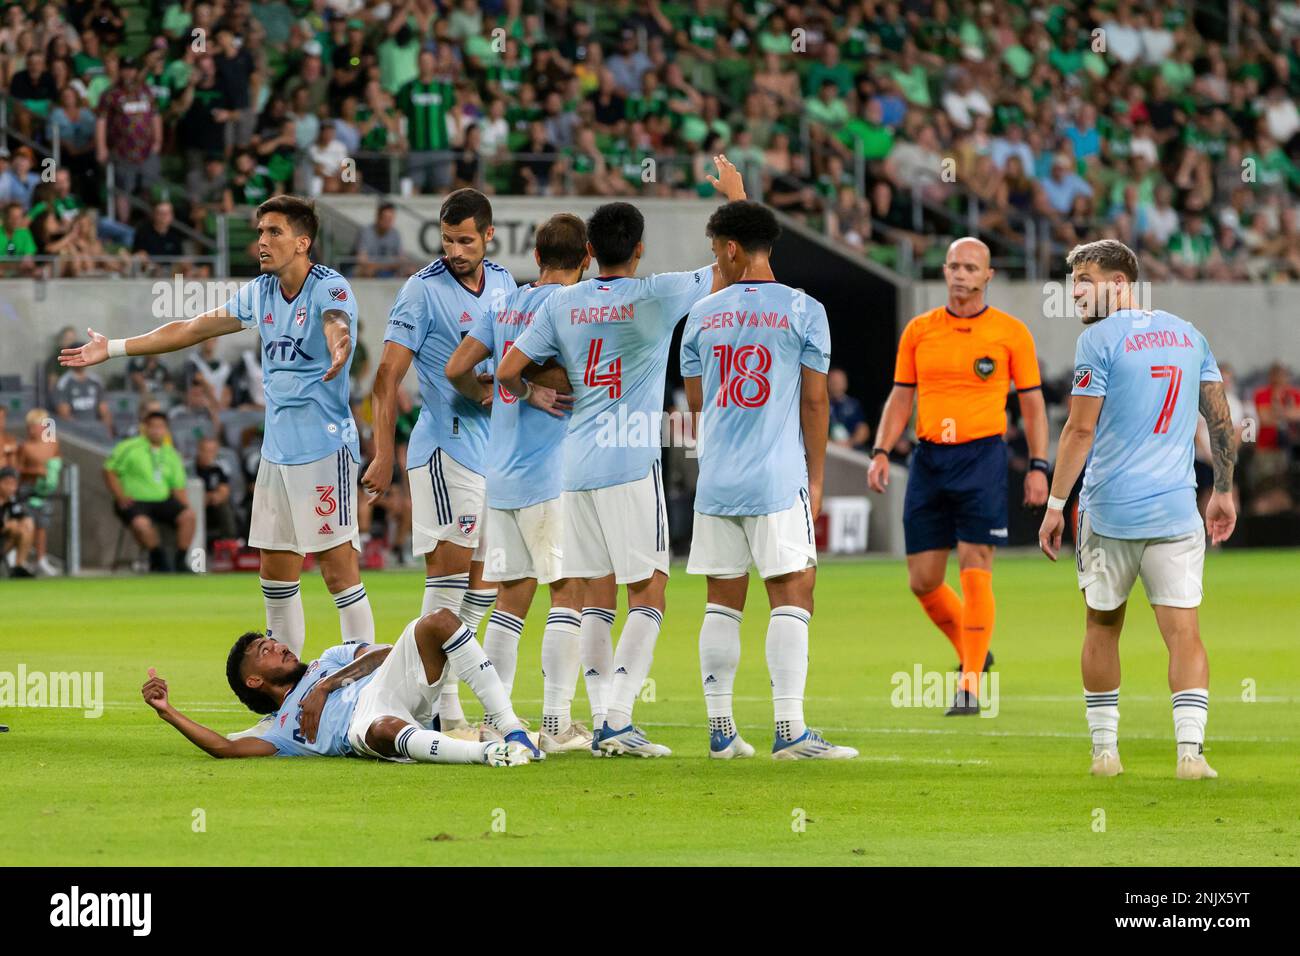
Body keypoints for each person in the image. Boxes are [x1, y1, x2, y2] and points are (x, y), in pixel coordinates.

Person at [60, 196, 376, 696]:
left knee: (338, 571)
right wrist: (115, 347)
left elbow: (337, 323)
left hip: (325, 447)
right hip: (277, 453)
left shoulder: (328, 286)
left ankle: (365, 691)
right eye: (259, 232)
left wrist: (340, 346)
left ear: (302, 241)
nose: (261, 242)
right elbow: (190, 328)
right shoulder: (260, 292)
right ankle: (287, 695)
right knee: (275, 573)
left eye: (273, 232)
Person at [495, 156, 746, 755]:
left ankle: (576, 720)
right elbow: (733, 266)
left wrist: (542, 390)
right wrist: (736, 196)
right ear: (637, 249)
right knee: (650, 592)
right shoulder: (657, 294)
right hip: (630, 463)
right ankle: (616, 719)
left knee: (589, 598)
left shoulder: (561, 304)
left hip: (573, 465)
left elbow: (506, 372)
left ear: (590, 248)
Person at [1038, 239, 1236, 781]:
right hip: (1175, 513)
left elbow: (1079, 430)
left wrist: (1056, 505)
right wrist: (1223, 488)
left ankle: (1105, 752)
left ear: (1120, 284)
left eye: (1086, 279)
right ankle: (1190, 755)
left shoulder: (1097, 342)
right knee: (1184, 631)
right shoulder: (1188, 333)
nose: (1075, 291)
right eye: (1073, 280)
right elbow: (1219, 420)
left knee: (1102, 627)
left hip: (1109, 515)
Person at [363, 188, 541, 752]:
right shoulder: (421, 291)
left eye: (465, 240)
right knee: (447, 582)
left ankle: (444, 702)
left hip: (494, 452)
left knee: (483, 586)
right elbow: (386, 377)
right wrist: (385, 453)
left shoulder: (507, 285)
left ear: (489, 236)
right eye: (447, 239)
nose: (455, 250)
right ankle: (429, 709)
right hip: (446, 447)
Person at [680, 199, 857, 760]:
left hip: (716, 483)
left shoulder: (700, 316)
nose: (714, 262)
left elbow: (697, 405)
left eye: (715, 252)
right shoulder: (806, 310)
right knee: (793, 593)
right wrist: (820, 478)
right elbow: (814, 402)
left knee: (721, 602)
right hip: (777, 479)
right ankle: (790, 732)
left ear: (732, 249)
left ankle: (721, 731)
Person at [867, 237, 1050, 716]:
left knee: (975, 562)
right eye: (953, 266)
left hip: (982, 459)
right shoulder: (919, 330)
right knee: (923, 580)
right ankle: (975, 648)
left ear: (988, 276)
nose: (960, 274)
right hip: (930, 459)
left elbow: (1031, 404)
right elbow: (901, 396)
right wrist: (882, 450)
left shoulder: (1011, 333)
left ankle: (969, 685)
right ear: (945, 272)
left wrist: (1038, 464)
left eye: (970, 267)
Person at [444, 213, 593, 753]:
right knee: (568, 592)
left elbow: (456, 368)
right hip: (549, 472)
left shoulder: (502, 304)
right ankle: (555, 726)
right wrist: (532, 387)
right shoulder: (571, 304)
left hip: (500, 473)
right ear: (587, 258)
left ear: (536, 256)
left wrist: (491, 390)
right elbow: (575, 377)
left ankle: (497, 722)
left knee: (510, 598)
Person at [141, 610, 536, 766]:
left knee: (438, 622)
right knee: (381, 729)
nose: (279, 645)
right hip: (365, 725)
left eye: (273, 641)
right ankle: (488, 753)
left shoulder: (326, 660)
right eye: (266, 649)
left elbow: (385, 653)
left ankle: (514, 730)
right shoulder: (281, 729)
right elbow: (223, 748)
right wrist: (167, 711)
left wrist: (327, 685)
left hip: (388, 685)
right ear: (254, 680)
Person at [103, 410, 196, 572]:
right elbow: (109, 470)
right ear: (145, 428)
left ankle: (180, 561)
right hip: (134, 500)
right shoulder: (129, 447)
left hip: (162, 500)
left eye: (161, 427)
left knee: (189, 516)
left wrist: (184, 507)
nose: (157, 431)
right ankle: (158, 560)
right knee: (142, 524)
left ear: (166, 430)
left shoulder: (171, 454)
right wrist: (119, 495)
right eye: (153, 427)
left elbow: (178, 486)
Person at [195, 436, 238, 543]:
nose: (208, 454)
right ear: (198, 450)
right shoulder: (190, 467)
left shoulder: (219, 468)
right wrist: (204, 498)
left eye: (212, 451)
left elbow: (224, 491)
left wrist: (213, 497)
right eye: (205, 450)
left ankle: (230, 542)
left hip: (212, 506)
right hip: (195, 506)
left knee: (224, 504)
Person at [354, 202, 406, 278]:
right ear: (378, 217)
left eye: (391, 219)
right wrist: (387, 265)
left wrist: (379, 266)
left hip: (388, 271)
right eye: (386, 219)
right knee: (366, 272)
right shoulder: (366, 232)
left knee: (410, 271)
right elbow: (362, 260)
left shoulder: (395, 234)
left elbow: (401, 259)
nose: (389, 222)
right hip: (370, 272)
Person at [1, 466, 36, 577]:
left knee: (26, 525)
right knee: (14, 527)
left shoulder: (12, 499)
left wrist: (23, 523)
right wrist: (6, 526)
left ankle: (19, 567)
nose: (11, 487)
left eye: (14, 484)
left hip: (3, 542)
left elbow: (21, 516)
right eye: (7, 483)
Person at [827, 367, 870, 450]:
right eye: (833, 380)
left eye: (839, 381)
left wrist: (850, 442)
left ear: (845, 383)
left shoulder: (853, 405)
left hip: (848, 449)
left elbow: (863, 430)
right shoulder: (820, 402)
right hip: (826, 446)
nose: (836, 383)